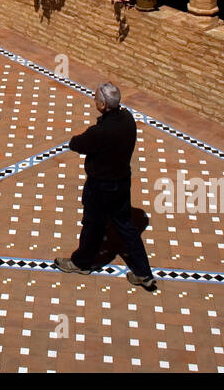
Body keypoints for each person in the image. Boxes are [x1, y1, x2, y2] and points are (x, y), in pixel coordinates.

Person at [55, 82, 157, 291]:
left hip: (100, 186)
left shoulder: (100, 132)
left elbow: (76, 143)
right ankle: (143, 273)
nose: (94, 100)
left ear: (102, 105)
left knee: (93, 224)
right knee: (126, 225)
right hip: (121, 182)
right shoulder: (128, 119)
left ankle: (81, 262)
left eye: (96, 98)